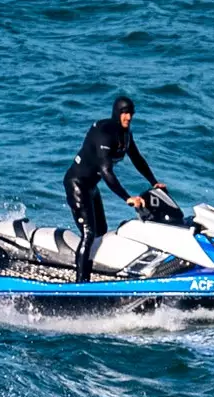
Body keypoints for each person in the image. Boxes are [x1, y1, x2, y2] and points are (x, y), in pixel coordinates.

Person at [64, 94, 168, 281]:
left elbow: (137, 159)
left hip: (91, 188)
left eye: (131, 114)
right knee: (88, 234)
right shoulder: (104, 133)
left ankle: (95, 275)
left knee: (101, 233)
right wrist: (127, 197)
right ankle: (79, 284)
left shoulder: (126, 135)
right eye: (124, 113)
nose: (128, 117)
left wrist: (153, 182)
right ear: (116, 113)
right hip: (77, 184)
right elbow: (106, 172)